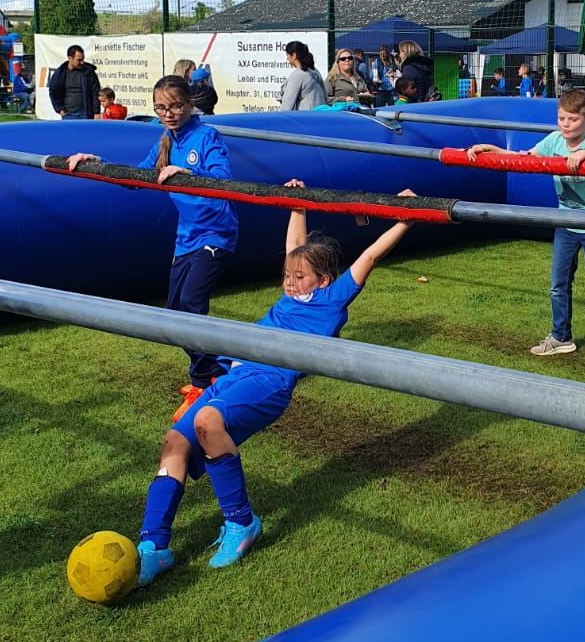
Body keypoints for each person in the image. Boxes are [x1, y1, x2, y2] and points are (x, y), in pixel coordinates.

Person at [133, 185, 418, 586]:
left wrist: (407, 217)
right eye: (287, 275)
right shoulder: (289, 295)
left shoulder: (333, 299)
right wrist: (296, 204)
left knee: (207, 424)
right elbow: (295, 246)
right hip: (235, 374)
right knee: (175, 442)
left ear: (323, 280)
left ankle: (241, 523)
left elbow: (370, 254)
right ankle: (154, 547)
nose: (289, 281)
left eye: (298, 277)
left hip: (271, 381)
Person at [66, 74, 238, 394]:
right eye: (161, 108)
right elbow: (139, 177)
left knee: (191, 301)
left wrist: (189, 173)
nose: (168, 114)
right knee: (174, 314)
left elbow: (223, 179)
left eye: (175, 106)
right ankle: (216, 366)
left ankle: (205, 377)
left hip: (215, 233)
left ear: (189, 104)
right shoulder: (166, 141)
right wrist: (98, 164)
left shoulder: (207, 136)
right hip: (186, 236)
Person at [468, 88, 585, 371]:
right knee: (557, 285)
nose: (566, 125)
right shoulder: (554, 140)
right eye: (561, 119)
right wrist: (488, 149)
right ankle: (560, 336)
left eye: (572, 120)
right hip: (566, 223)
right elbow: (524, 158)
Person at [48, 45, 101, 120]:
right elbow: (53, 91)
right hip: (68, 114)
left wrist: (96, 112)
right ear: (70, 58)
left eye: (83, 59)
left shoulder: (89, 72)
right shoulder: (60, 73)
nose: (82, 62)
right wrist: (59, 108)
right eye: (79, 60)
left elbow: (95, 92)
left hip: (85, 114)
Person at [279, 41, 327, 110]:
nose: (287, 59)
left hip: (305, 118)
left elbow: (287, 105)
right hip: (321, 116)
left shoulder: (297, 76)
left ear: (294, 56)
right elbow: (325, 97)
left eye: (287, 55)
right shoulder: (315, 71)